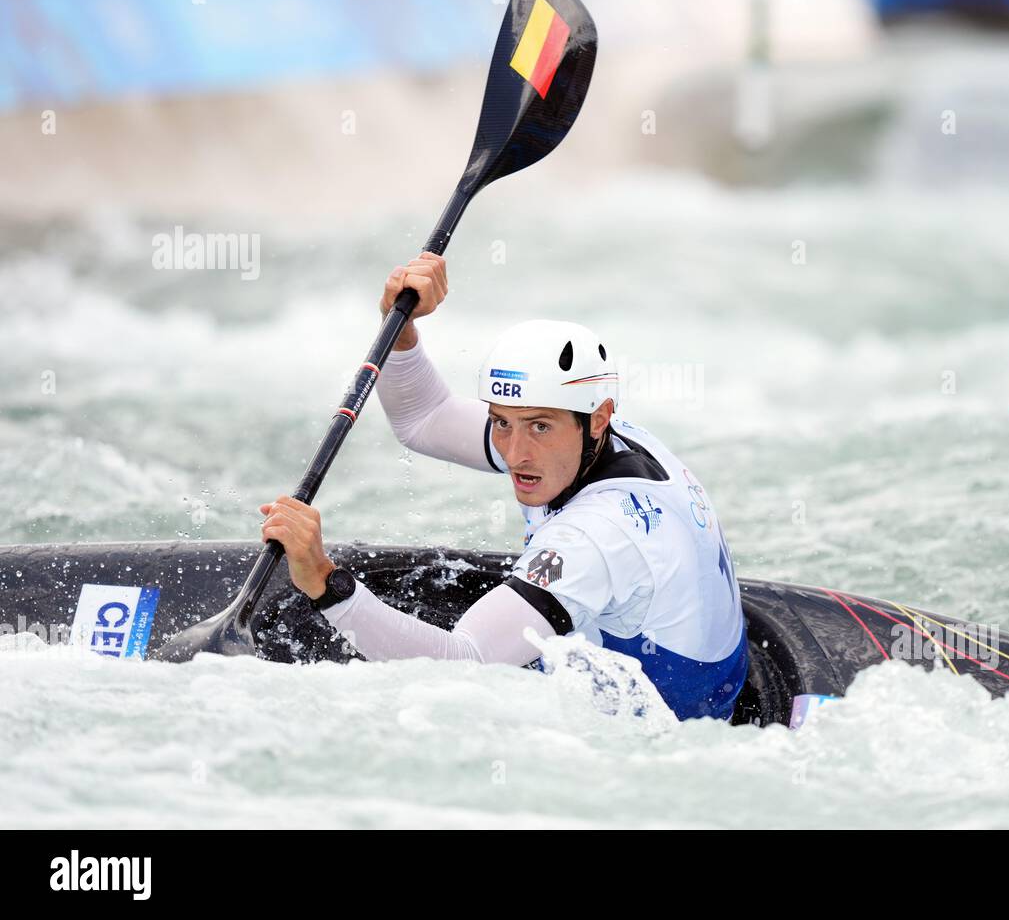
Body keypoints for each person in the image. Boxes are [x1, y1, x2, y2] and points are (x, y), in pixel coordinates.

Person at [259, 253, 748, 720]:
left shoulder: (598, 536)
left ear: (597, 419)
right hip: (699, 673)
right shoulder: (594, 442)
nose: (514, 454)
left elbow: (460, 666)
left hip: (660, 730)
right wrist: (401, 329)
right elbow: (423, 417)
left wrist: (325, 582)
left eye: (538, 426)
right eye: (501, 423)